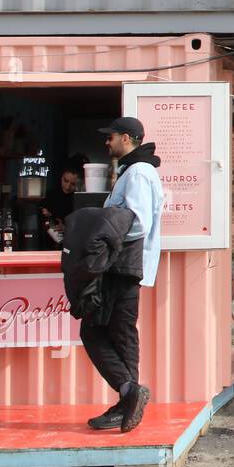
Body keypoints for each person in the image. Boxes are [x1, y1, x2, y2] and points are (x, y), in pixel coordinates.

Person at [80, 117, 163, 433]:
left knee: (93, 330)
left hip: (122, 265)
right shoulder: (135, 170)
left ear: (127, 138)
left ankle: (128, 392)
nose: (107, 142)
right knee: (121, 332)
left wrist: (101, 239)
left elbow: (138, 222)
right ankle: (127, 398)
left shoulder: (139, 173)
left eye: (110, 136)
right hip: (126, 265)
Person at [41, 154, 89, 246]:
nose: (67, 187)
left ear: (82, 183)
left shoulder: (82, 200)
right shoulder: (49, 196)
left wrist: (66, 228)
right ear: (61, 176)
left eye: (73, 184)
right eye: (65, 181)